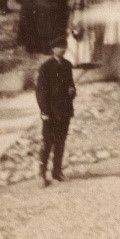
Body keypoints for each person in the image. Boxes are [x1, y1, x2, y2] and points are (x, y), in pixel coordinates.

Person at [36, 38, 75, 185]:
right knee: (47, 141)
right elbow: (40, 92)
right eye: (59, 47)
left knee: (60, 141)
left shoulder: (67, 65)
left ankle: (57, 171)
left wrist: (72, 91)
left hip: (64, 110)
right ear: (53, 49)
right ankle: (42, 173)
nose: (62, 49)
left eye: (64, 46)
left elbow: (72, 85)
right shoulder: (46, 67)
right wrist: (44, 111)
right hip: (51, 111)